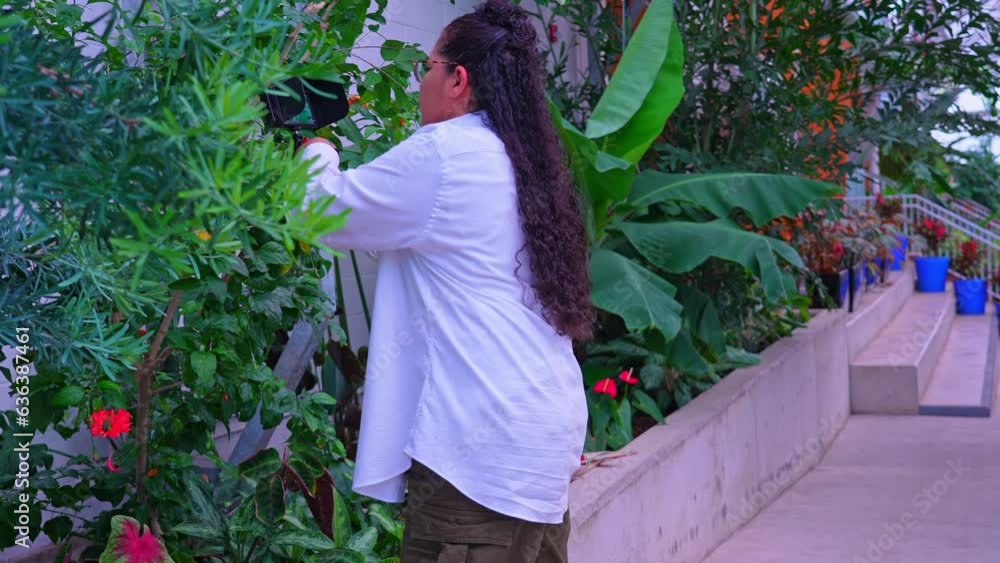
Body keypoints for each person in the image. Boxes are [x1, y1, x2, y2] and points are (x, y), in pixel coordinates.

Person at [296, 1, 593, 560]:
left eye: (426, 68)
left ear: (457, 79)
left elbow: (320, 210)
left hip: (477, 461)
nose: (418, 87)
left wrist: (314, 143)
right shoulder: (521, 161)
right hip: (537, 450)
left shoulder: (446, 154)